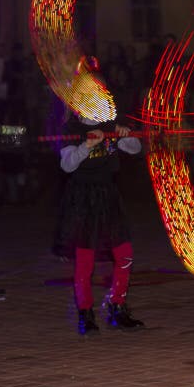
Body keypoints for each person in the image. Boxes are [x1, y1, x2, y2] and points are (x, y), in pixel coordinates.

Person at [57, 58, 145, 335]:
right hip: (83, 198)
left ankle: (116, 306)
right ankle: (85, 311)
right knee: (85, 259)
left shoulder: (112, 122)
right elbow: (67, 165)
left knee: (125, 254)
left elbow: (134, 148)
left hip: (108, 195)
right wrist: (86, 145)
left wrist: (123, 135)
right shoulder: (72, 129)